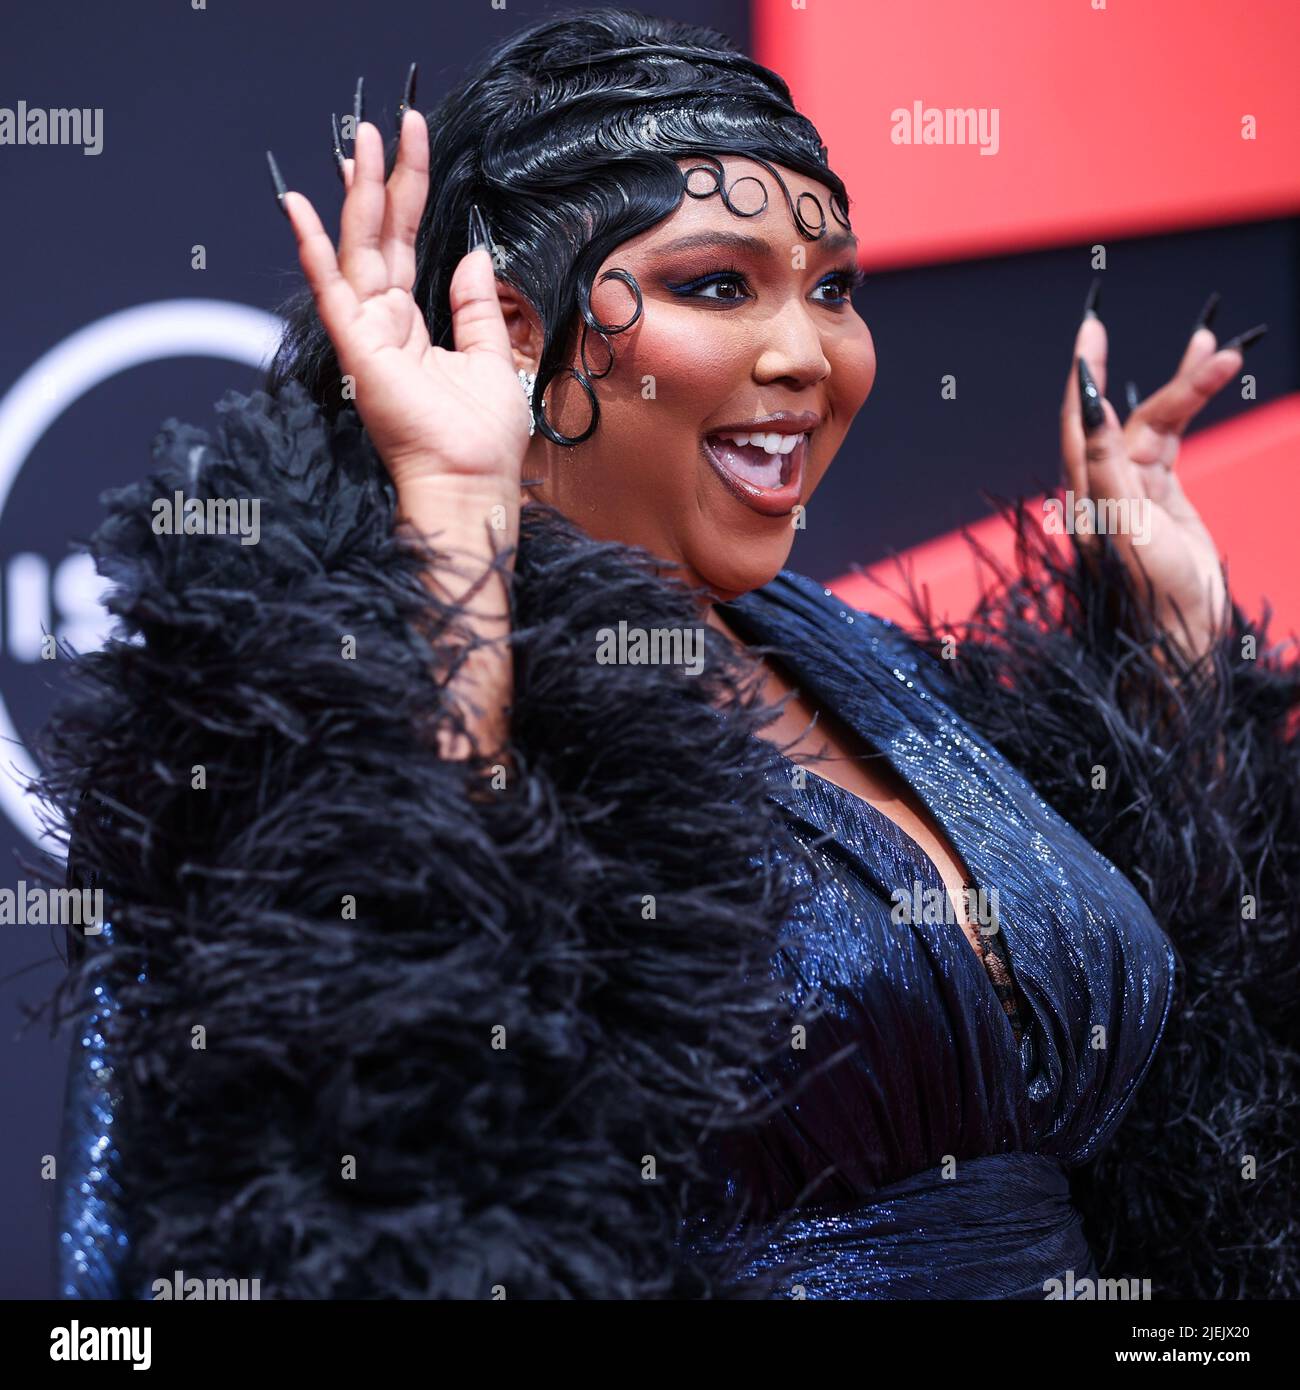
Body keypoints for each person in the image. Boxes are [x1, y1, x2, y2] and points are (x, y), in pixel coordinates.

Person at [45, 9, 1298, 1300]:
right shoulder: (333, 700)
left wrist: (1172, 670)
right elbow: (365, 1147)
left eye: (833, 288)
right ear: (520, 334)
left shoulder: (874, 668)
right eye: (718, 284)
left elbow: (1174, 1124)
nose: (805, 354)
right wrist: (455, 528)